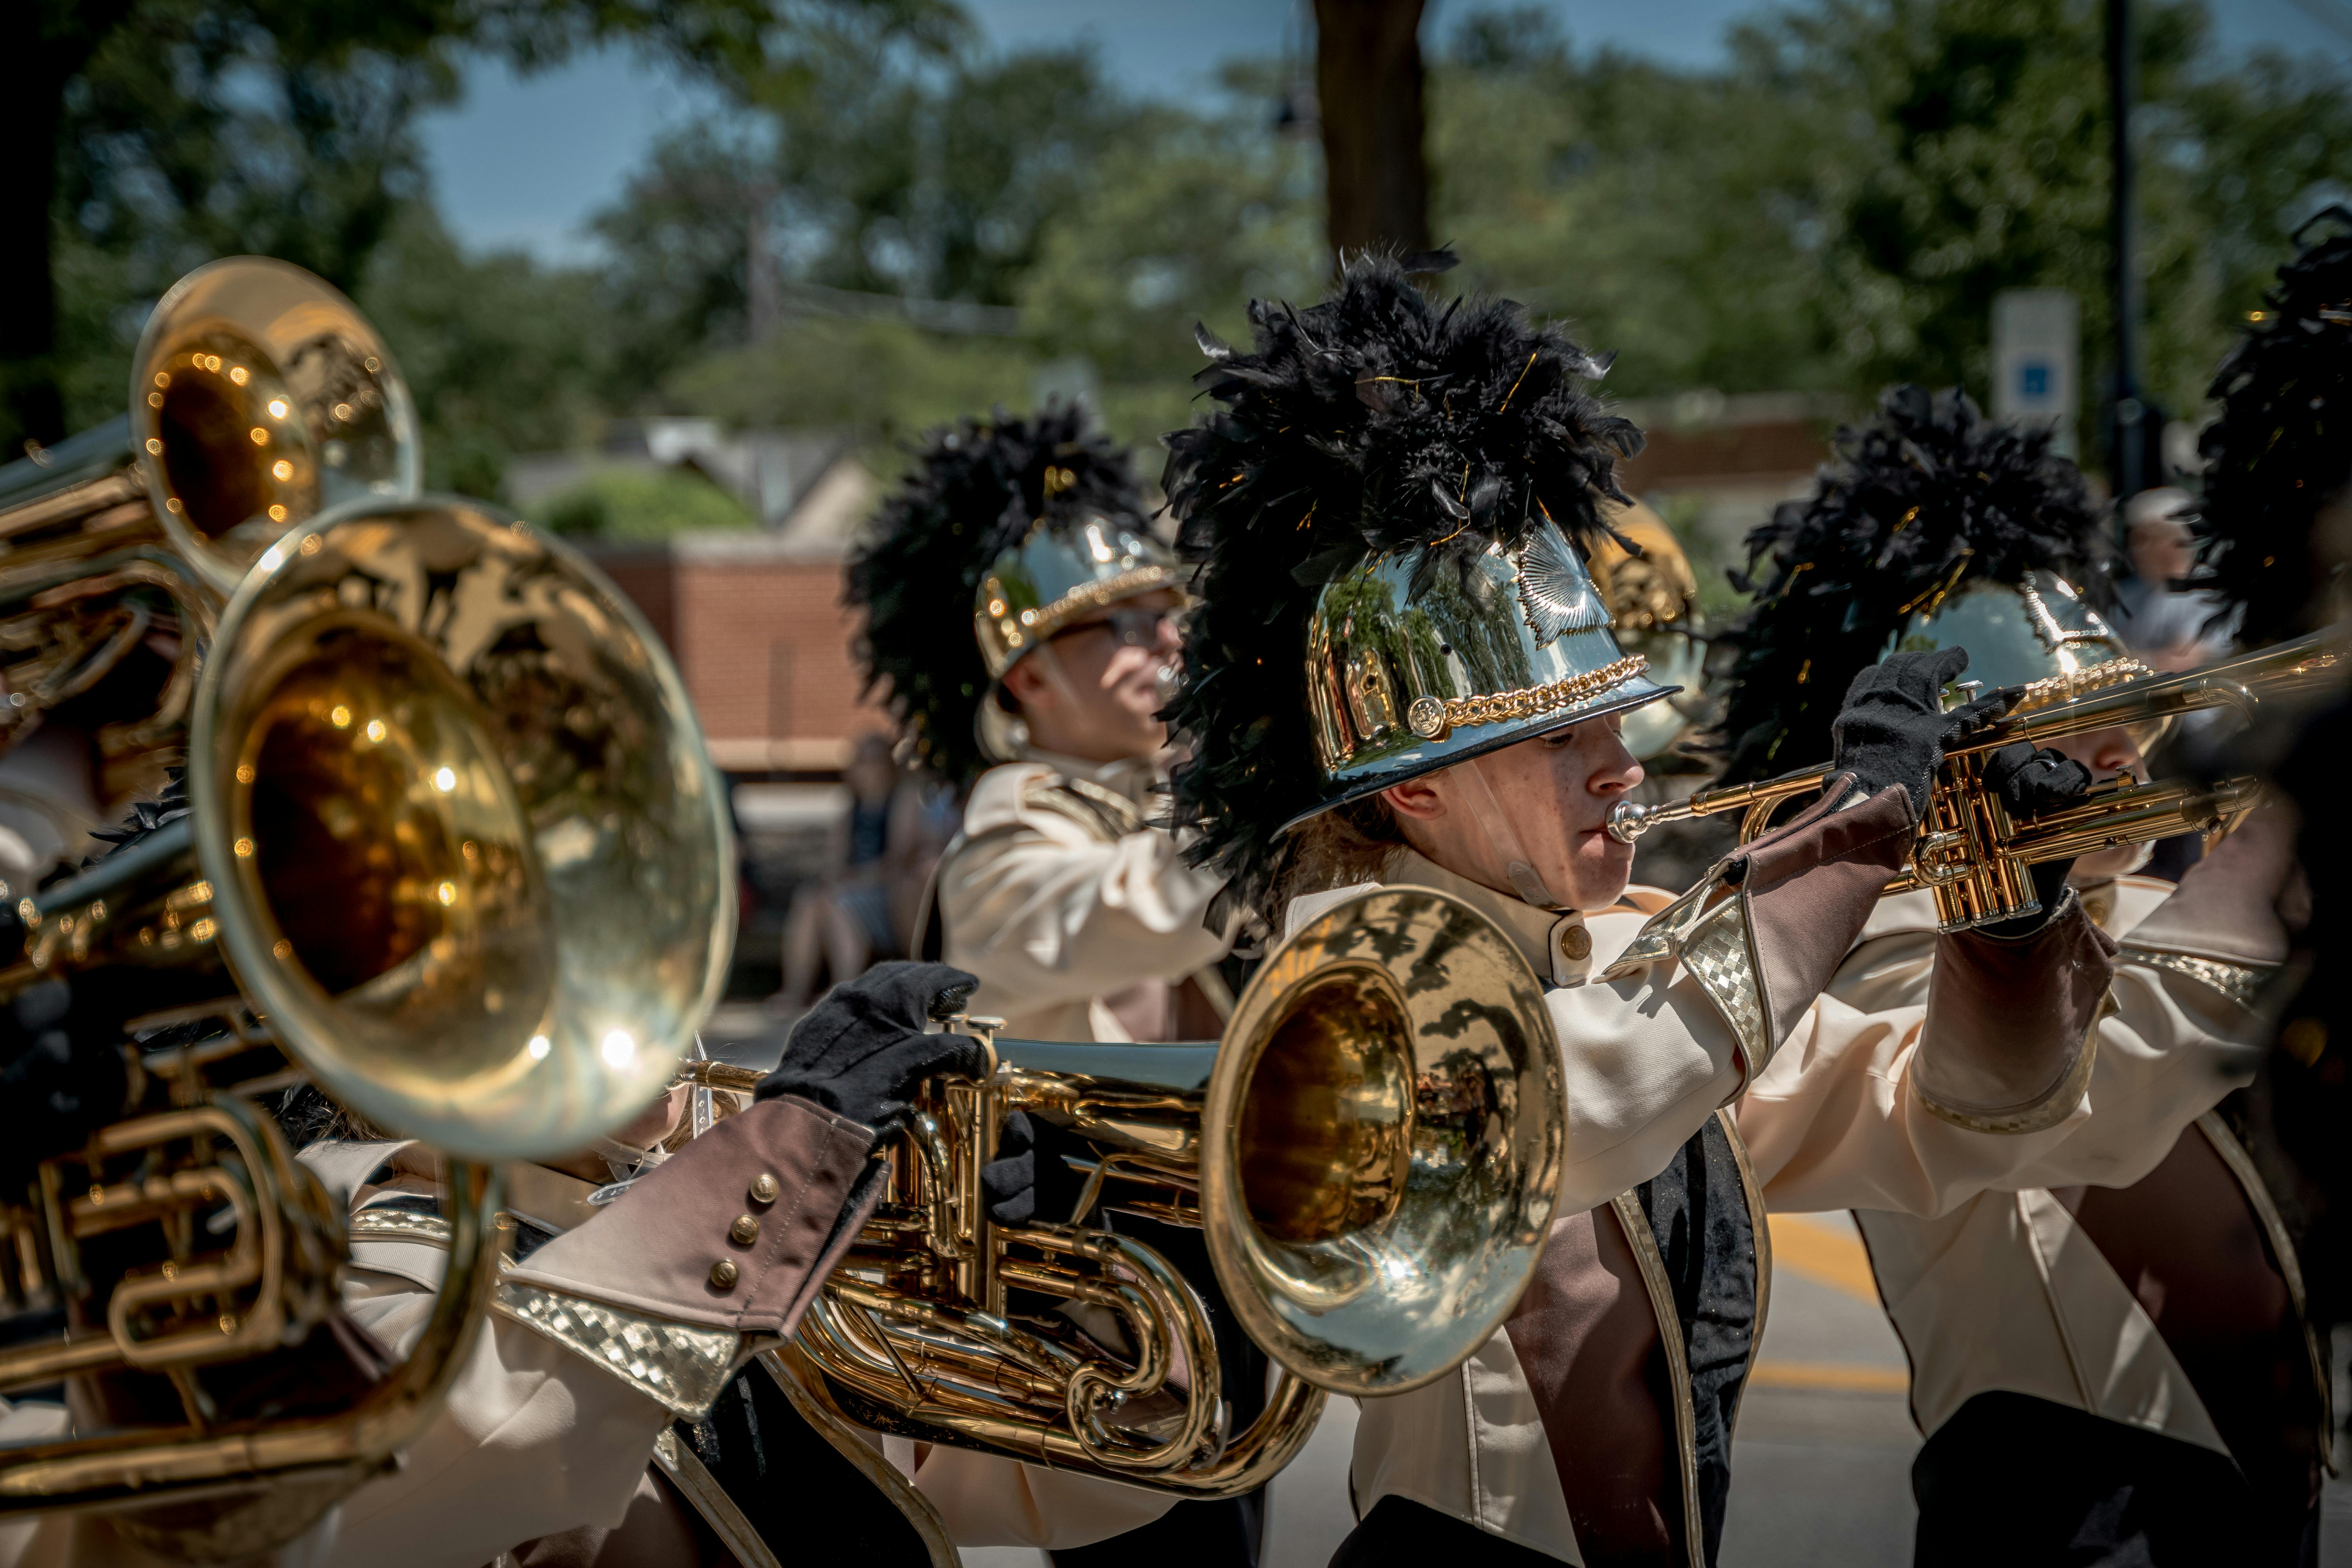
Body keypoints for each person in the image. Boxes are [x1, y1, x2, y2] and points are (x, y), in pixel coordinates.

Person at [1161, 251, 2267, 1568]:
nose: (1625, 765)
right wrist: (1847, 854)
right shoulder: (1341, 978)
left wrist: (2010, 930)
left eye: (1617, 720)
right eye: (1564, 738)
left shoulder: (1642, 953)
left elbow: (1961, 1122)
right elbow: (1566, 1099)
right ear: (1414, 796)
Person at [1719, 384, 2314, 1565]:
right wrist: (2282, 828)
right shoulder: (1894, 950)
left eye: (2122, 706)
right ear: (1963, 759)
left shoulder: (2146, 903)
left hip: (2248, 1496)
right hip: (2061, 1504)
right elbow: (2085, 1102)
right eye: (2072, 717)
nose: (2124, 745)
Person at [845, 406, 1255, 1564]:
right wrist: (1260, 776)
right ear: (1023, 676)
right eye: (1112, 629)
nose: (1162, 646)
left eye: (1166, 616)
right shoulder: (998, 841)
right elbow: (1133, 911)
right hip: (1096, 1319)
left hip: (1224, 1284)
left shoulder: (1164, 804)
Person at [770, 733, 953, 1016]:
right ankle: (795, 992)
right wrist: (834, 880)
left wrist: (852, 881)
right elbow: (835, 861)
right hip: (853, 890)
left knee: (838, 906)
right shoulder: (851, 808)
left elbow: (897, 861)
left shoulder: (902, 801)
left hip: (887, 895)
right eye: (861, 762)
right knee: (810, 899)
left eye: (874, 761)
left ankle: (843, 991)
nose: (867, 769)